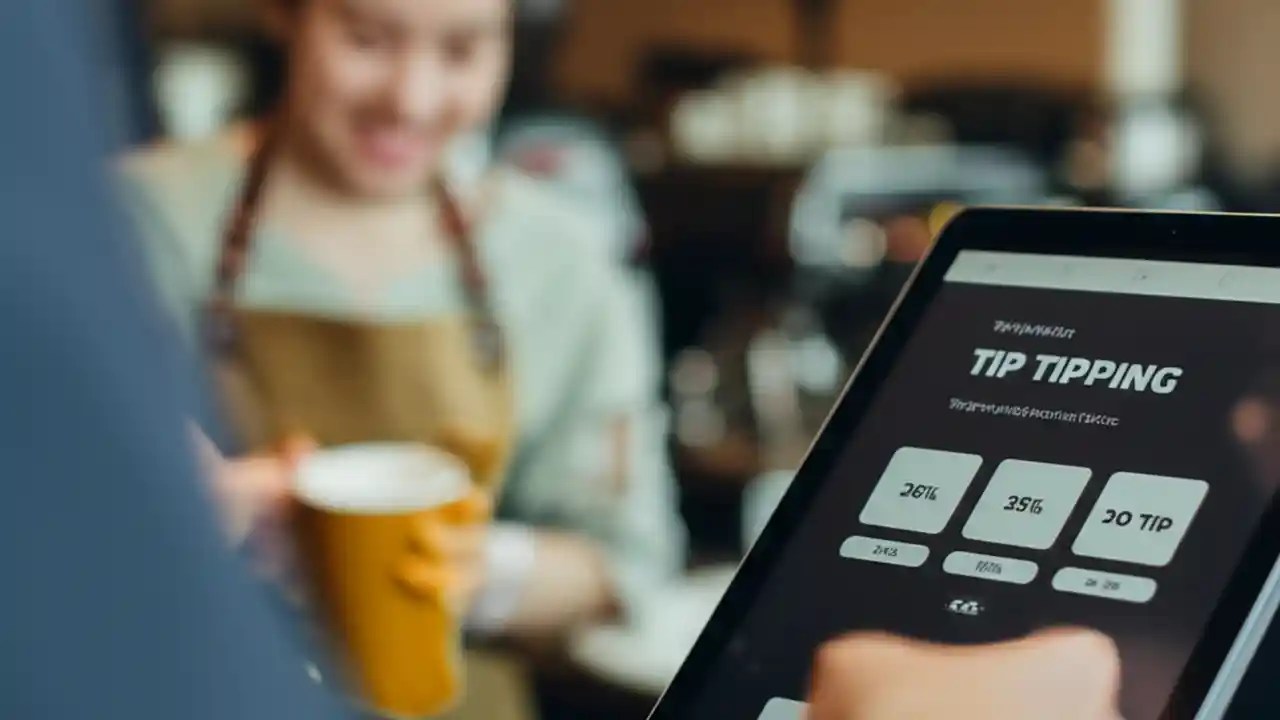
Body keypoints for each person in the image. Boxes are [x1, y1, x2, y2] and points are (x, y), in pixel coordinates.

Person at [117, 0, 684, 664]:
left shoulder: (561, 258)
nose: (410, 101)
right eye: (367, 39)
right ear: (287, 17)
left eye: (461, 51)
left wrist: (485, 571)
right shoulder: (130, 218)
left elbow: (625, 560)